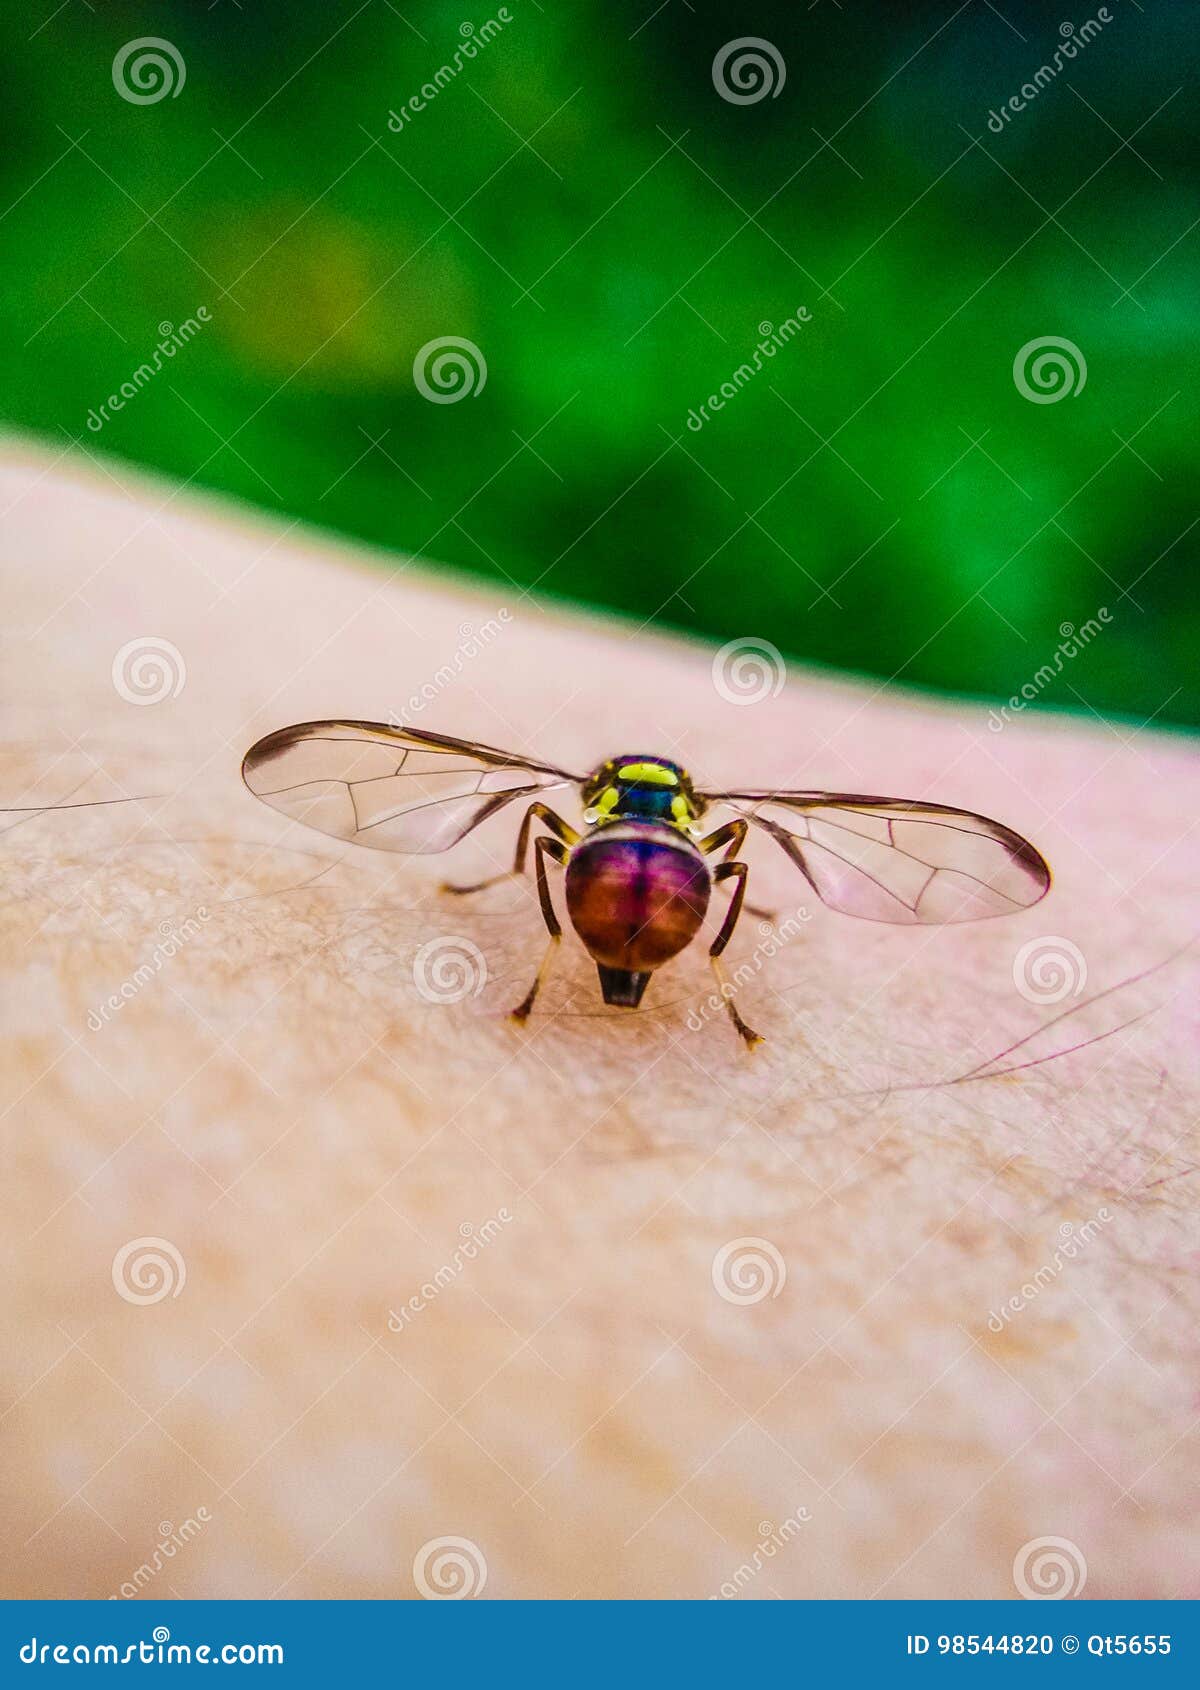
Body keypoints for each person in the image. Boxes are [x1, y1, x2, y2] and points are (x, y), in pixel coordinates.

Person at [2, 444, 1195, 1600]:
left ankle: (568, 974)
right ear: (682, 814)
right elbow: (780, 845)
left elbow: (501, 815)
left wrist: (536, 934)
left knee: (530, 829)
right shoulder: (721, 835)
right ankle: (696, 982)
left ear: (605, 800)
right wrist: (711, 952)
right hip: (669, 921)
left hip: (592, 915)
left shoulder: (561, 819)